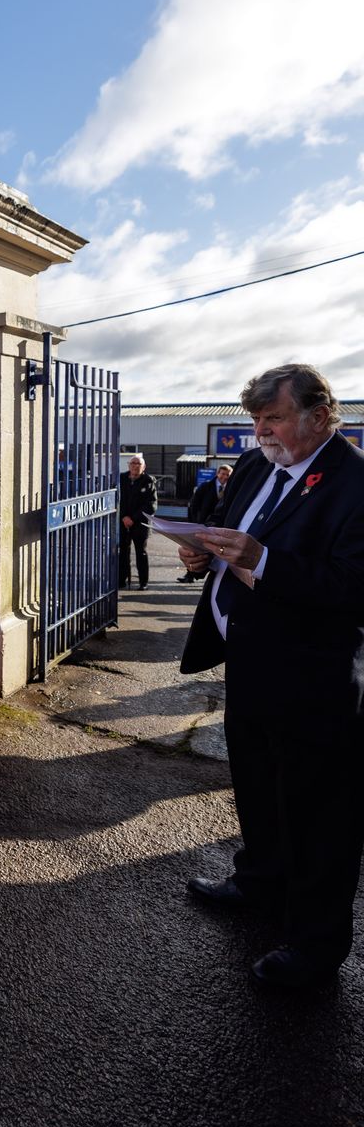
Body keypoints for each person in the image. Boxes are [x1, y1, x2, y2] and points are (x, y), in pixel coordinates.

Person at [178, 363, 364, 990]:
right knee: (256, 784)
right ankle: (259, 882)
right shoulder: (258, 467)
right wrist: (202, 554)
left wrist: (263, 561)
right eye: (256, 419)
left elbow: (352, 590)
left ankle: (316, 948)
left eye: (275, 418)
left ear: (320, 416)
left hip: (314, 680)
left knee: (319, 815)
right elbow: (233, 541)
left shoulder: (354, 483)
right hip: (249, 663)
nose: (261, 431)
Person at [178, 465, 232, 582]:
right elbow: (194, 504)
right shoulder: (205, 486)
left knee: (216, 552)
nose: (225, 477)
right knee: (195, 551)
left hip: (221, 527)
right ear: (217, 473)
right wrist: (195, 523)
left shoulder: (231, 489)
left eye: (228, 474)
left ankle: (215, 577)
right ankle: (190, 574)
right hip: (202, 524)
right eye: (223, 474)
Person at [118, 454, 157, 590]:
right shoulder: (121, 478)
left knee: (141, 552)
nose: (135, 466)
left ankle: (143, 582)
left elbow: (151, 505)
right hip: (122, 522)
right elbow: (116, 500)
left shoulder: (148, 481)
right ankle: (121, 580)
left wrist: (133, 518)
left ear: (144, 467)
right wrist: (124, 517)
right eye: (133, 463)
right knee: (123, 551)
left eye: (138, 464)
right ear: (128, 465)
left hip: (140, 524)